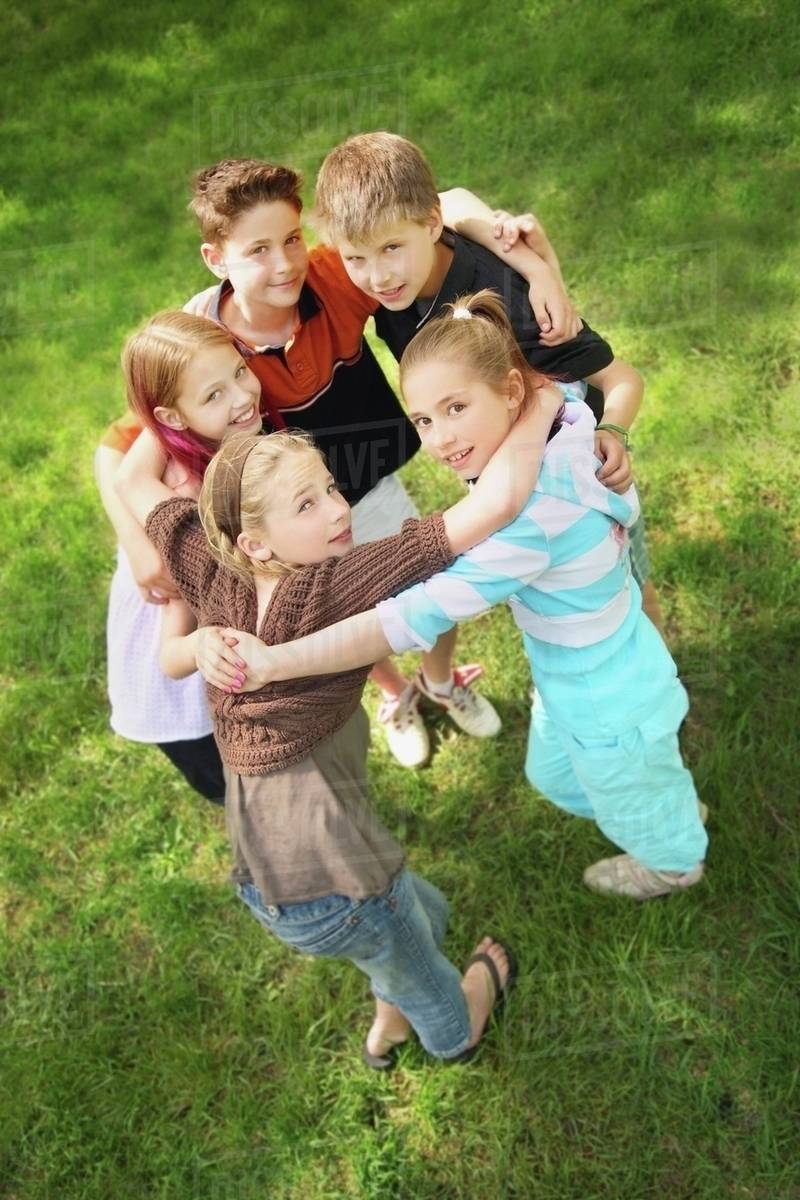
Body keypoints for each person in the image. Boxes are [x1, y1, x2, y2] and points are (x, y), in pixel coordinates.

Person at [114, 339, 566, 1063]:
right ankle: (457, 1023)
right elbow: (499, 502)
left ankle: (390, 1012)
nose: (336, 509)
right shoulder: (327, 590)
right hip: (343, 883)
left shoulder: (210, 565)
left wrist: (155, 413)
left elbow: (139, 487)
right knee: (418, 960)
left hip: (269, 880)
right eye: (307, 504)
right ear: (257, 541)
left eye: (329, 487)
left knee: (423, 918)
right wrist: (542, 398)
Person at [219, 291, 708, 902]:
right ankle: (661, 794)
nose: (441, 438)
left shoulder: (527, 526)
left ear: (509, 390)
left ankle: (674, 859)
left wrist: (277, 661)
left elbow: (402, 619)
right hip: (594, 671)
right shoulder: (565, 421)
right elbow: (559, 394)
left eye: (456, 408)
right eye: (424, 419)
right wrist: (540, 402)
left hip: (605, 701)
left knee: (629, 795)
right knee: (557, 775)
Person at [97, 156, 580, 768]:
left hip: (368, 483)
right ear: (216, 260)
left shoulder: (336, 276)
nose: (283, 264)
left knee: (428, 586)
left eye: (293, 239)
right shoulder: (206, 347)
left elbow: (442, 202)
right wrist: (141, 548)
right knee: (340, 618)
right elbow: (121, 454)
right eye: (258, 251)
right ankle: (394, 693)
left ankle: (438, 678)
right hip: (295, 513)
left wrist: (535, 266)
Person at [312, 131, 663, 636]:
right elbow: (453, 198)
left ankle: (657, 670)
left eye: (392, 248)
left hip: (579, 476)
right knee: (555, 614)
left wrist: (614, 433)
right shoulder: (396, 287)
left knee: (628, 584)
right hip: (510, 482)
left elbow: (623, 379)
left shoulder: (510, 301)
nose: (378, 276)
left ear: (430, 225)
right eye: (356, 259)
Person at [94, 311, 265, 804]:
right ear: (171, 418)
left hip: (210, 654)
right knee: (247, 798)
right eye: (214, 395)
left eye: (239, 371)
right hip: (183, 680)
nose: (241, 397)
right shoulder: (189, 497)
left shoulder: (206, 435)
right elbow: (177, 644)